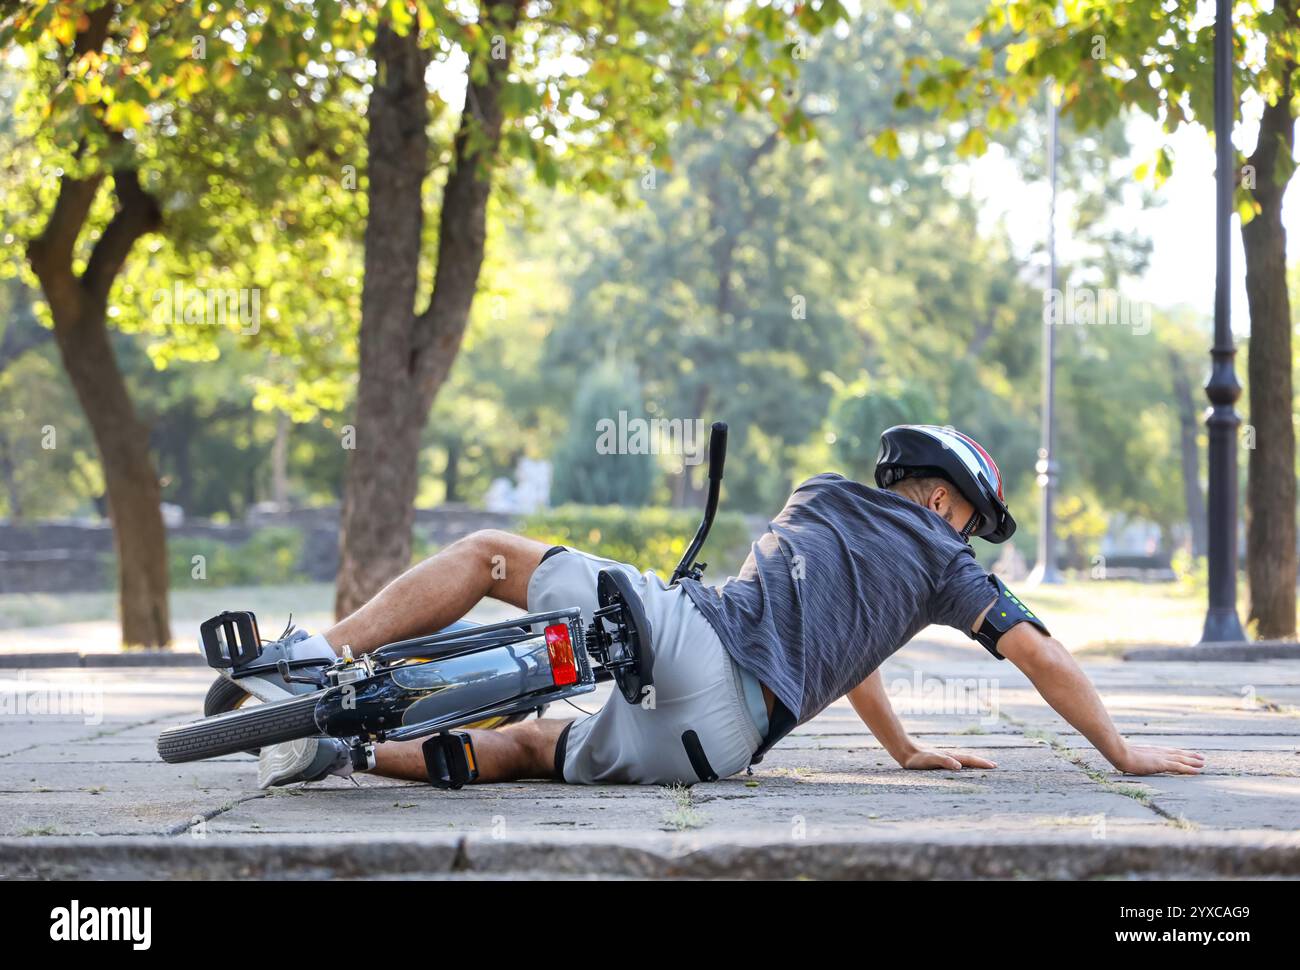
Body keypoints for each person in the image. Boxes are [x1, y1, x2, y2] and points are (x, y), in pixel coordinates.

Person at [255, 423, 1205, 789]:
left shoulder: (822, 496)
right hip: (718, 750)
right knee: (538, 746)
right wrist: (1116, 753)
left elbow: (827, 619)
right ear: (949, 497)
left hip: (701, 642)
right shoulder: (946, 572)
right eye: (966, 513)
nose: (959, 527)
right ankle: (342, 748)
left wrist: (906, 745)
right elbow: (1029, 650)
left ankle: (307, 655)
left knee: (492, 555)